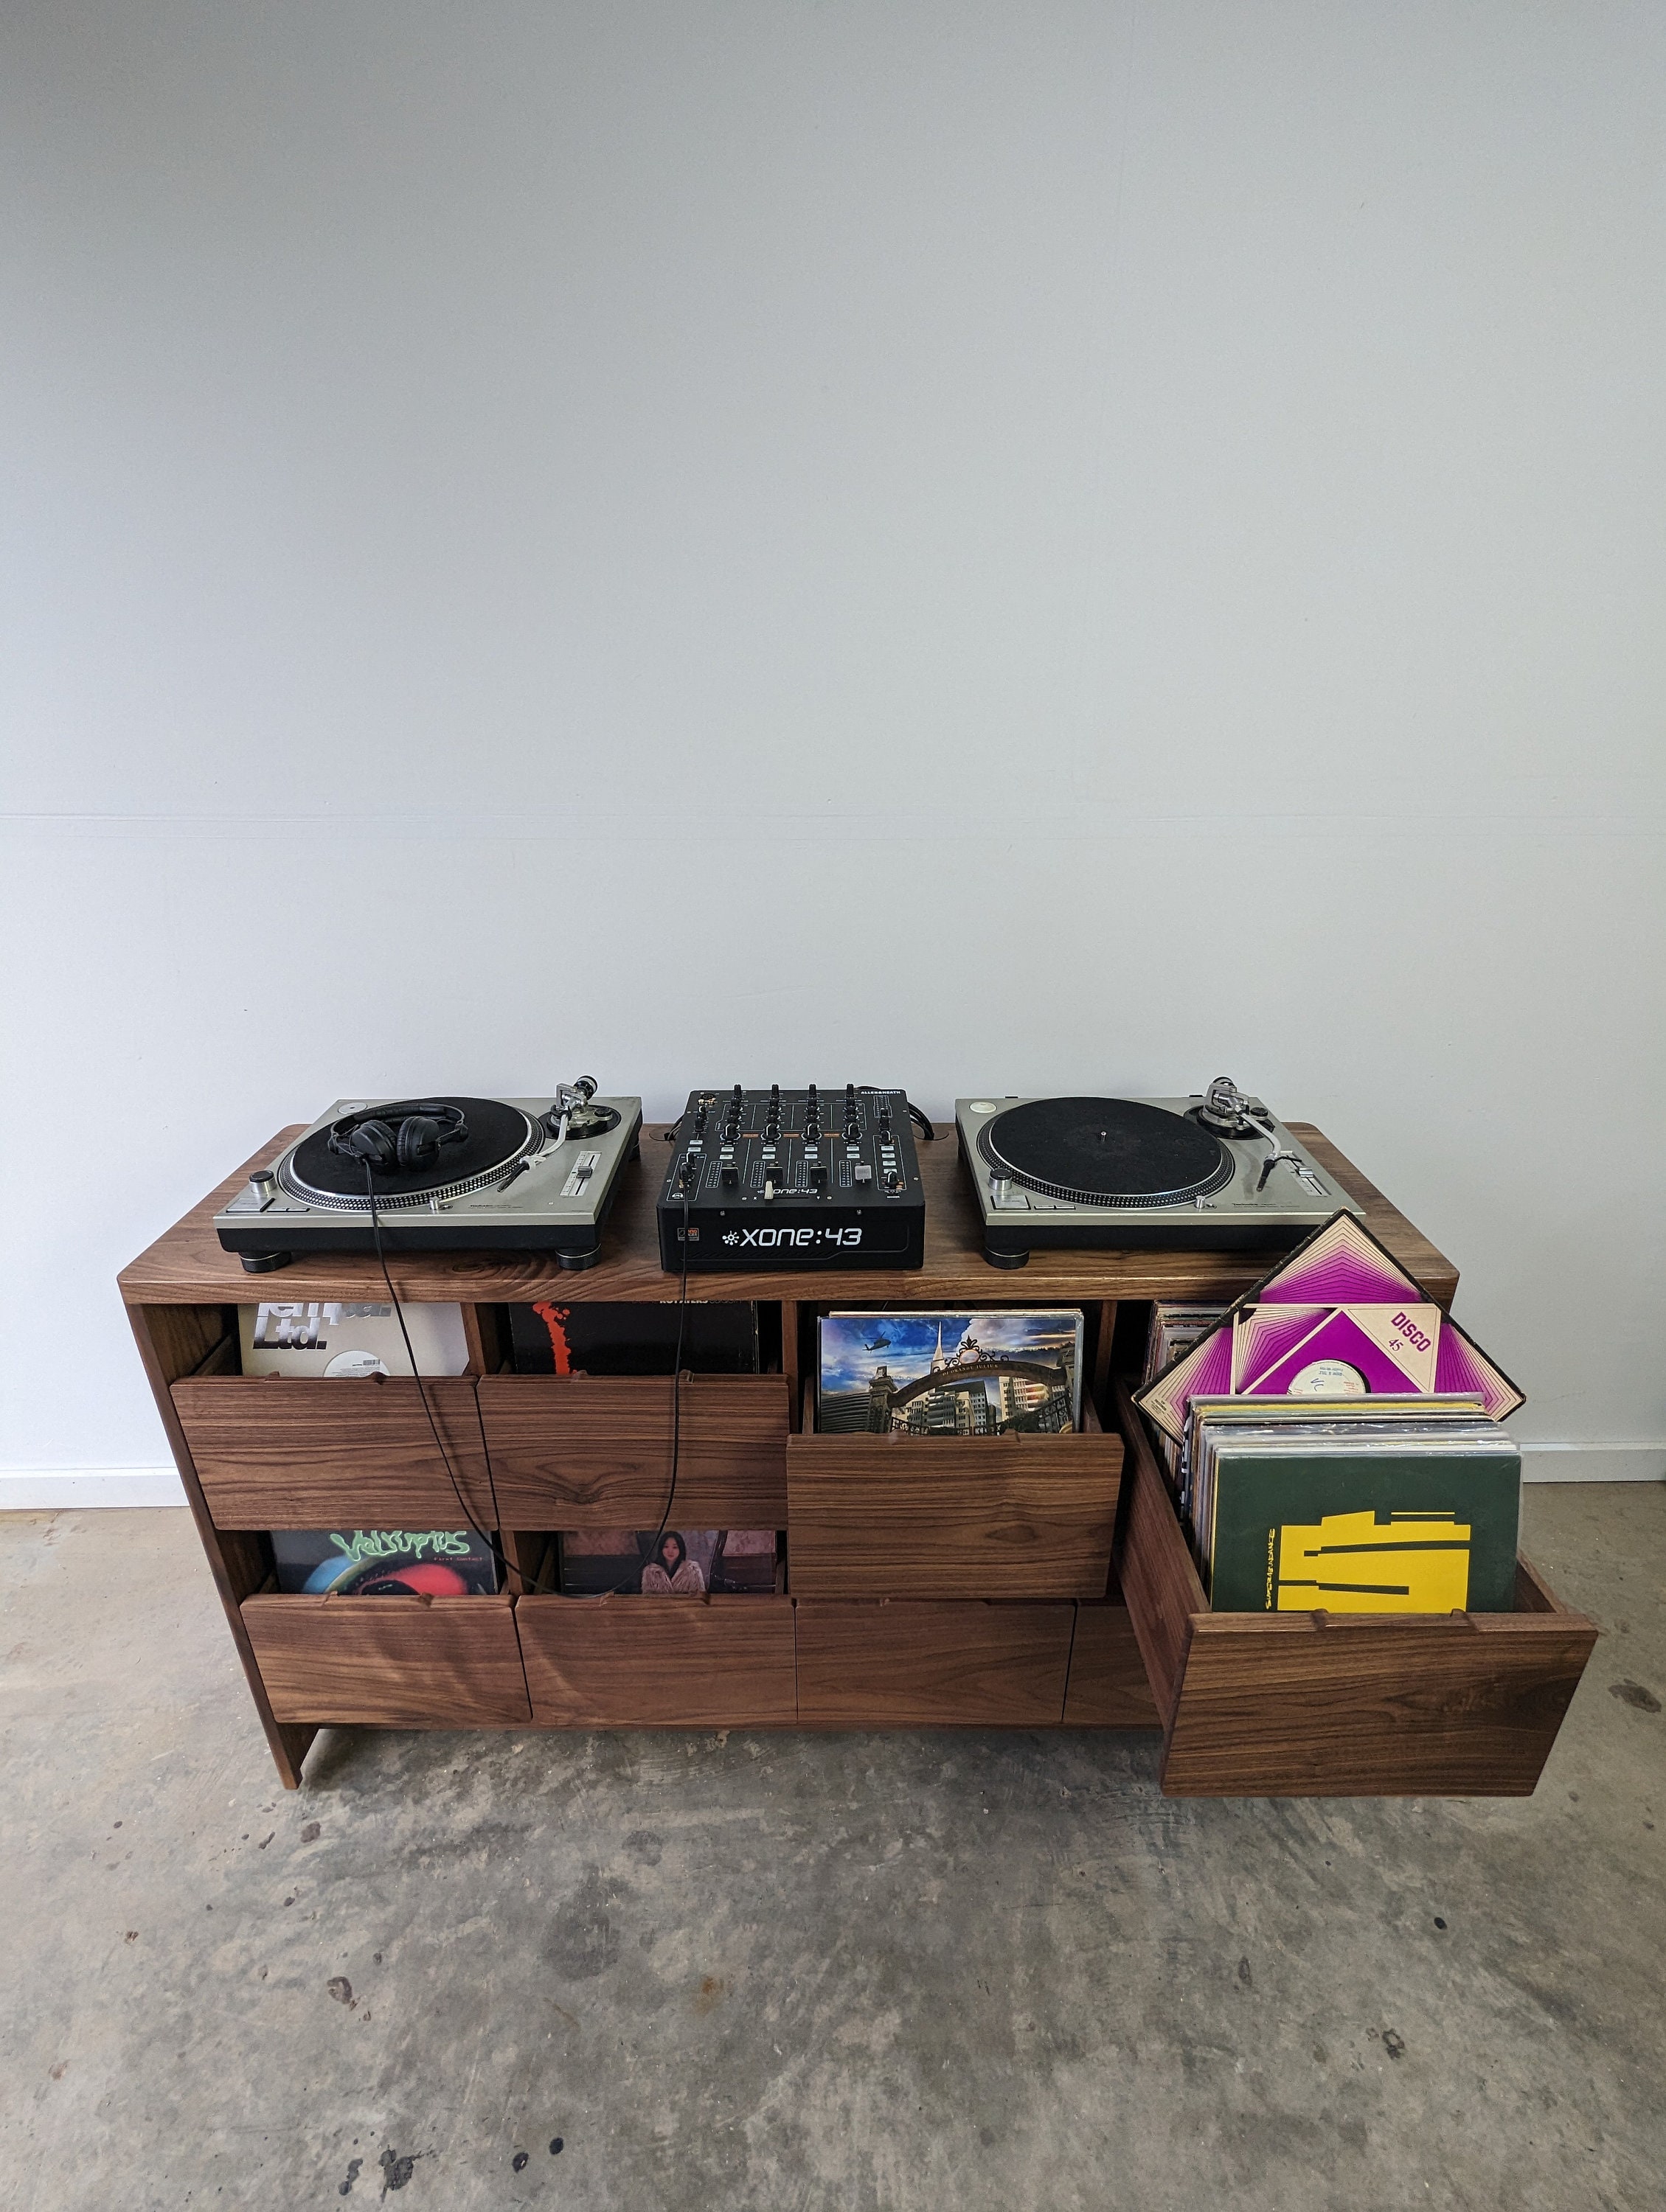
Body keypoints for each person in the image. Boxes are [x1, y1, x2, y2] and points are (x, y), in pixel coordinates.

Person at [639, 1531, 705, 1595]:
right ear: (661, 1548)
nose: (670, 1551)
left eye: (675, 1547)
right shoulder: (651, 1572)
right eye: (666, 1547)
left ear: (681, 1549)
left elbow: (699, 1598)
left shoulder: (692, 1570)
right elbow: (648, 1600)